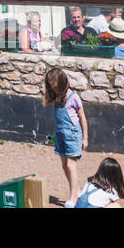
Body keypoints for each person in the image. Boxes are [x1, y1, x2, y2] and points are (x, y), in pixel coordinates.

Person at [42, 68, 88, 206]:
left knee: (70, 165)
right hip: (60, 135)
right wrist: (54, 138)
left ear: (62, 83)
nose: (53, 89)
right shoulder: (56, 99)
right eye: (51, 86)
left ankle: (73, 198)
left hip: (73, 135)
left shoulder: (73, 97)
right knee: (64, 166)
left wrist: (85, 138)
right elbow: (59, 121)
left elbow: (82, 118)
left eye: (55, 86)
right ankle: (77, 191)